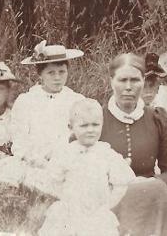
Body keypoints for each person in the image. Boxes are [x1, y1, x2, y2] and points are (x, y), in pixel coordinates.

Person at [97, 52, 167, 236]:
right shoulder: (95, 119)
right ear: (111, 81)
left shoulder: (158, 118)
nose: (129, 87)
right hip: (108, 201)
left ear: (143, 81)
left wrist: (149, 184)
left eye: (135, 80)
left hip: (150, 198)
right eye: (122, 80)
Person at [0, 42, 85, 193]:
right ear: (40, 74)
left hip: (65, 160)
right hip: (34, 161)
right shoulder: (27, 101)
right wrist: (36, 160)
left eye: (62, 72)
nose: (57, 77)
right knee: (19, 177)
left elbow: (81, 136)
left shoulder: (76, 101)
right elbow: (20, 140)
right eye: (51, 73)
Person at [41, 97, 134, 236]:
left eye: (95, 125)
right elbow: (53, 180)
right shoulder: (66, 153)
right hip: (70, 211)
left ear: (102, 125)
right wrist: (66, 199)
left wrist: (107, 205)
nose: (90, 130)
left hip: (97, 213)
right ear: (71, 128)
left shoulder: (106, 153)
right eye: (84, 126)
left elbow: (121, 183)